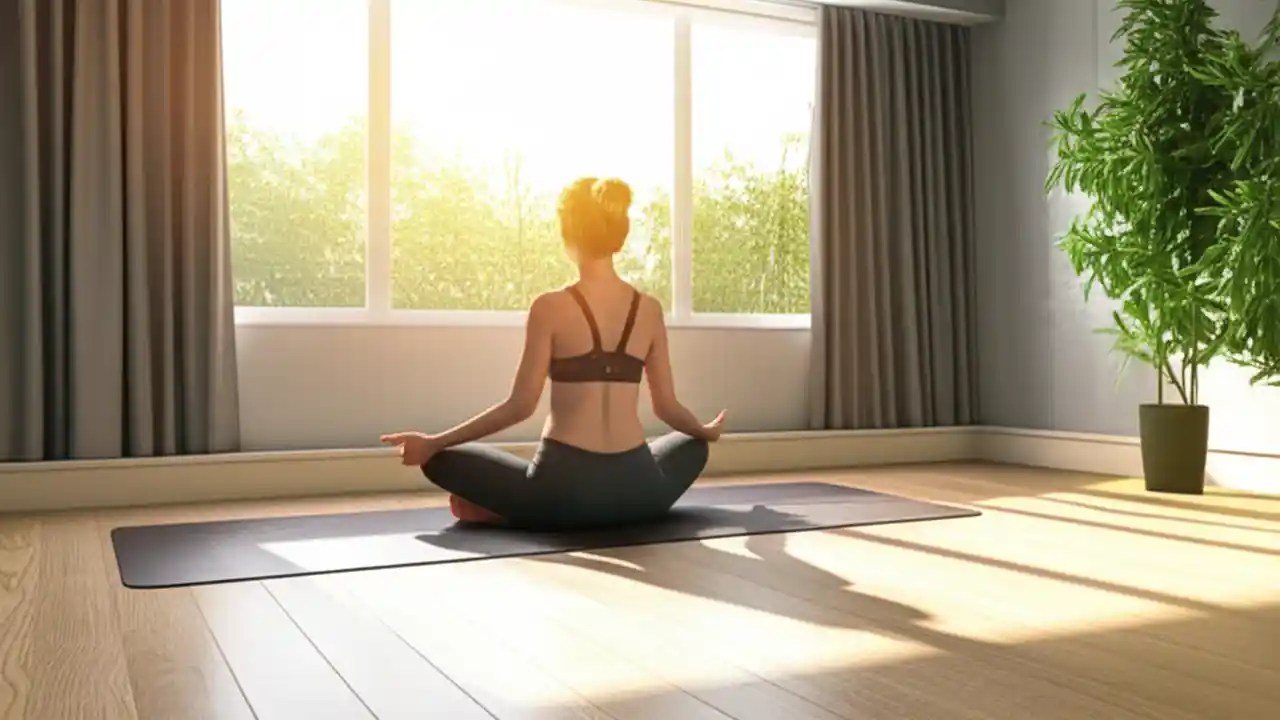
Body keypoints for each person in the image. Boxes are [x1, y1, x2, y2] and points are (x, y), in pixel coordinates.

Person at [380, 177, 725, 531]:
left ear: (569, 234)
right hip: (639, 493)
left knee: (440, 461)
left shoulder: (550, 308)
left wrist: (433, 442)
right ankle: (550, 511)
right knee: (693, 444)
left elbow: (519, 406)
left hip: (561, 493)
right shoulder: (649, 310)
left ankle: (520, 512)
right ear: (618, 234)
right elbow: (667, 407)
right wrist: (705, 431)